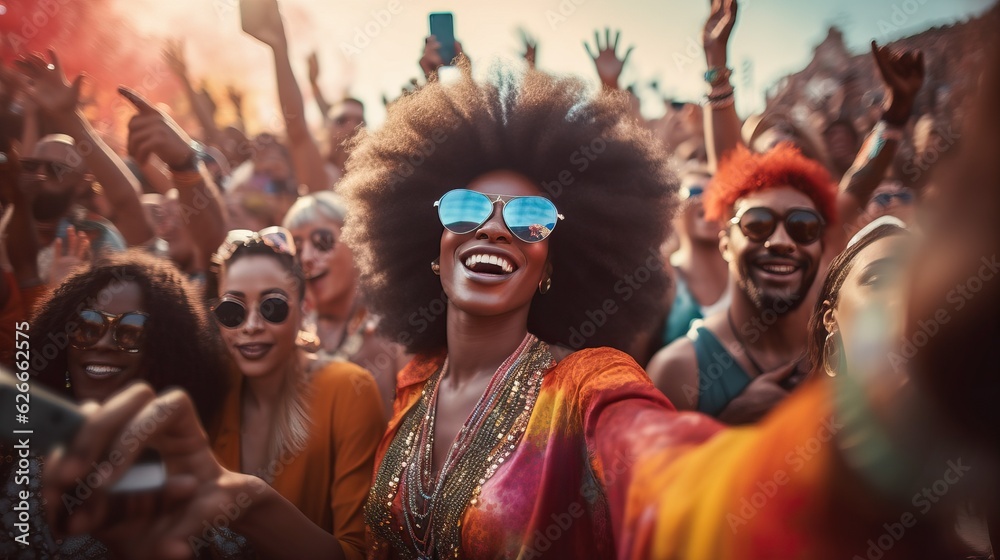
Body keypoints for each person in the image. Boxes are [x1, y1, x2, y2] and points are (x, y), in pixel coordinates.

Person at [37, 12, 1000, 560]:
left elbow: (687, 483)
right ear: (429, 242)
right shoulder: (403, 391)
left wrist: (879, 434)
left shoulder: (591, 391)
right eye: (469, 207)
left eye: (533, 219)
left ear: (556, 260)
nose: (499, 226)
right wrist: (246, 499)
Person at [0, 250, 228, 558]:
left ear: (162, 356)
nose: (103, 342)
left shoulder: (187, 475)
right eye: (87, 327)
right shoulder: (20, 458)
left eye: (131, 332)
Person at [203, 227, 386, 560]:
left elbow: (358, 553)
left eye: (272, 307)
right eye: (232, 311)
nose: (252, 325)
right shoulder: (210, 387)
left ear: (305, 308)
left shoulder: (349, 389)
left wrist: (254, 499)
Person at [648, 144, 833, 422]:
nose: (781, 242)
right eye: (757, 224)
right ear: (725, 244)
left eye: (803, 226)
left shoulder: (848, 357)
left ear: (822, 245)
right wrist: (729, 424)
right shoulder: (679, 371)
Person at [283, 193, 405, 419]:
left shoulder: (396, 332)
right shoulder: (289, 334)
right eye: (297, 250)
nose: (307, 258)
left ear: (356, 243)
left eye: (322, 242)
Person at [657, 165, 729, 349]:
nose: (705, 200)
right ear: (673, 209)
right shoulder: (662, 277)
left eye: (715, 193)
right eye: (694, 192)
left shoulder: (745, 275)